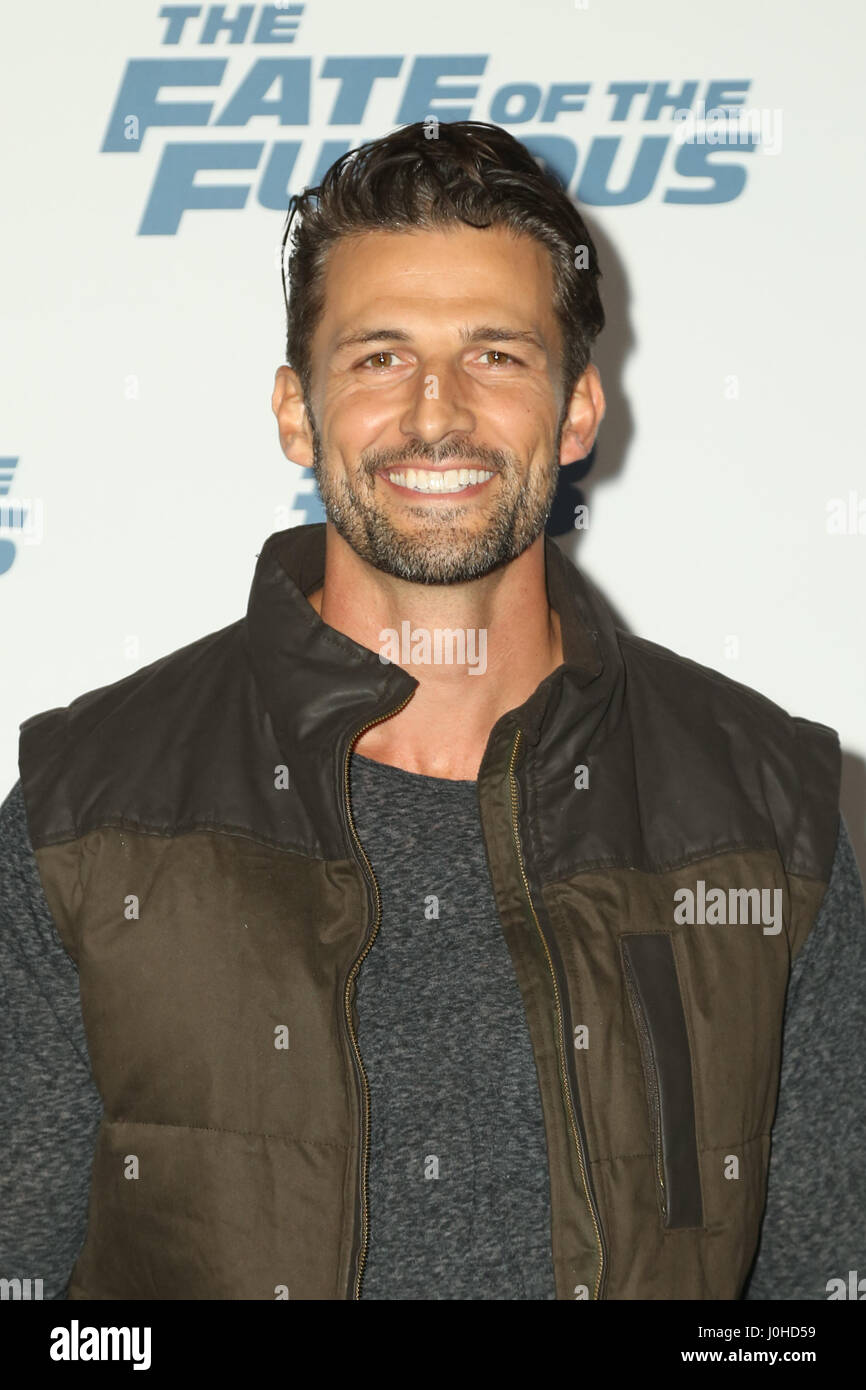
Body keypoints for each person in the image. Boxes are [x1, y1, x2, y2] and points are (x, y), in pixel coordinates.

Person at [1, 121, 863, 1302]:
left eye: (495, 355)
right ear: (296, 414)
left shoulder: (773, 807)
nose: (435, 414)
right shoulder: (82, 811)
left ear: (573, 414)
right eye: (378, 357)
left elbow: (816, 1293)